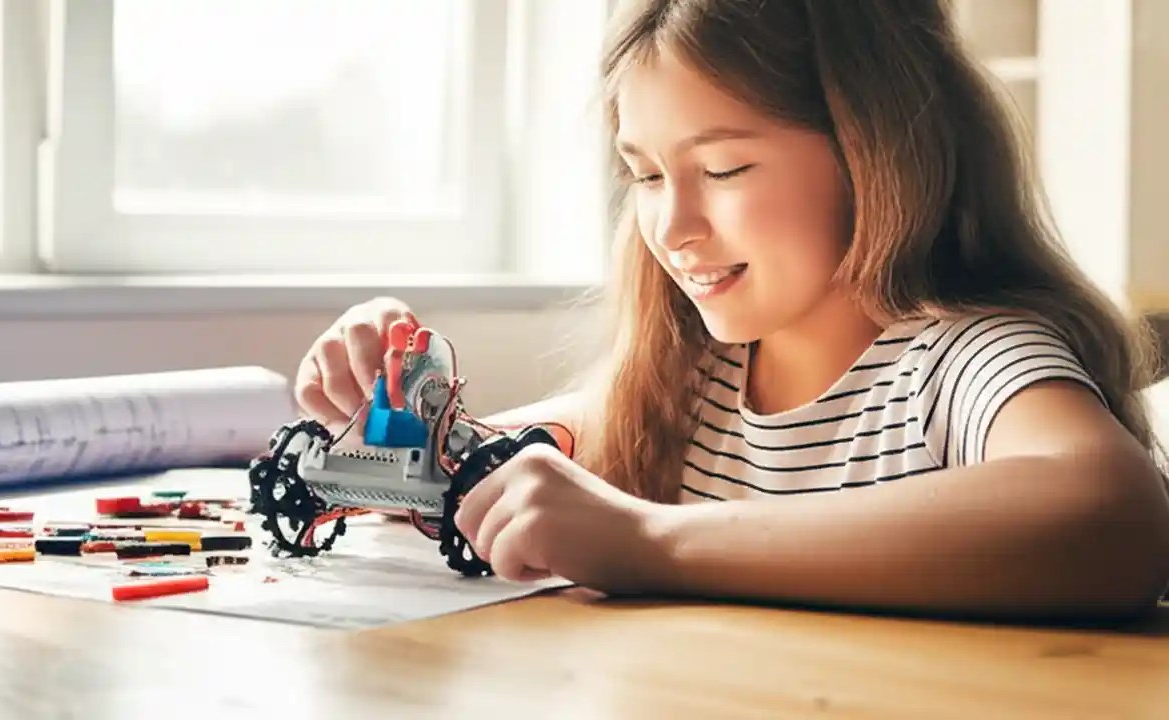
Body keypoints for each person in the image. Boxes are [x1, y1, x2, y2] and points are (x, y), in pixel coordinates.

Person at [293, 0, 1169, 620]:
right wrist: (387, 411)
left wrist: (652, 541)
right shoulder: (688, 382)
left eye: (724, 170)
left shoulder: (967, 359)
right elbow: (456, 480)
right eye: (644, 174)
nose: (671, 226)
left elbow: (1116, 517)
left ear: (880, 150)